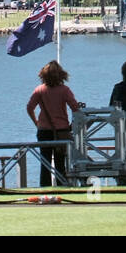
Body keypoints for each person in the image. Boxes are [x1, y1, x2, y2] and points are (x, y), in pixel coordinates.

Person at [26, 59, 81, 187]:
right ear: (61, 75)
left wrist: (37, 123)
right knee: (60, 163)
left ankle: (44, 188)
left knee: (44, 162)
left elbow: (29, 108)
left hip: (44, 131)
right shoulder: (65, 90)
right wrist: (70, 127)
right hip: (62, 131)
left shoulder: (39, 90)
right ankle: (61, 187)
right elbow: (76, 110)